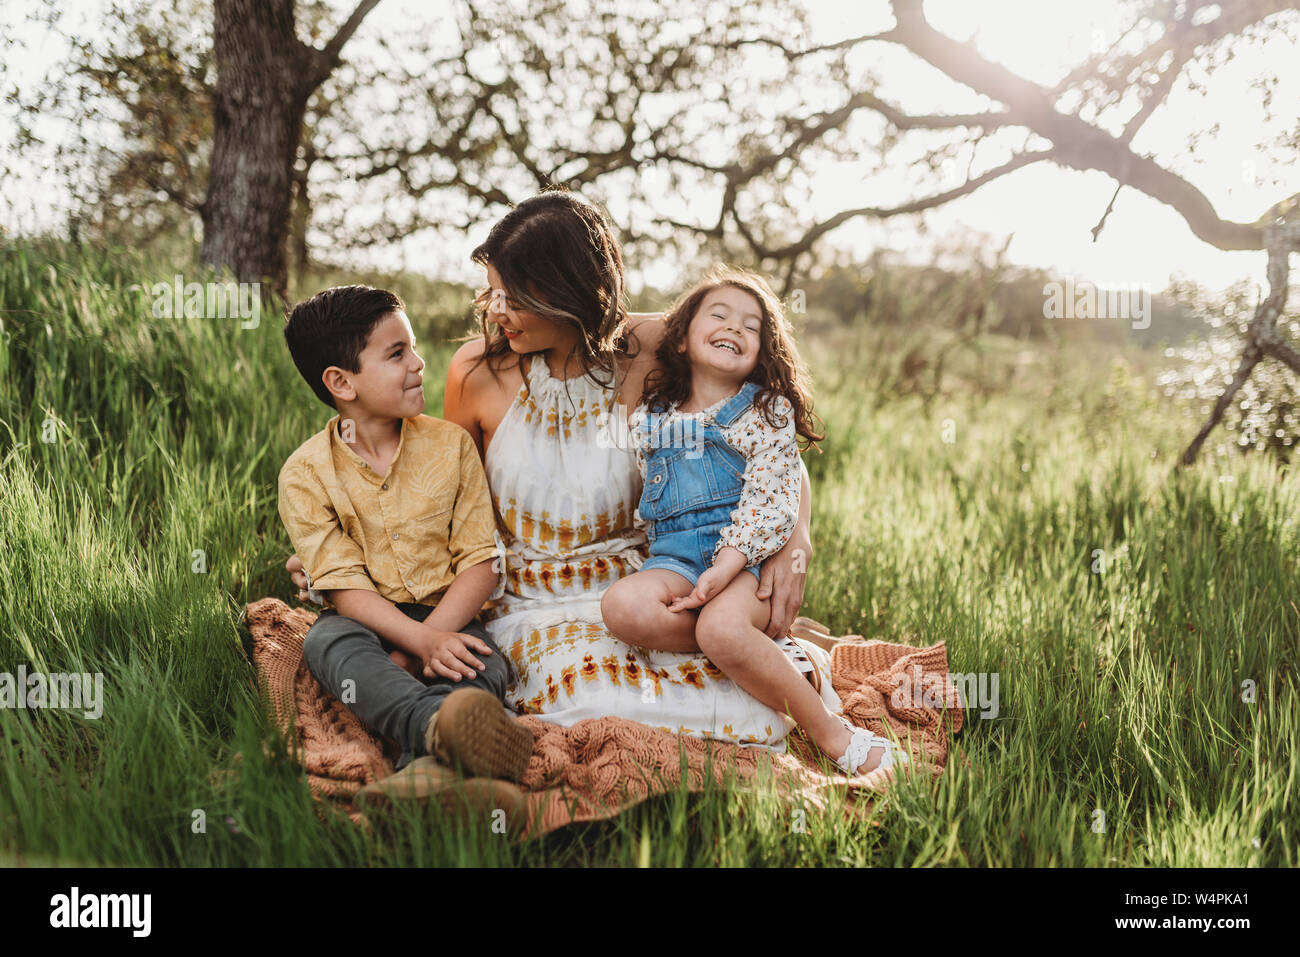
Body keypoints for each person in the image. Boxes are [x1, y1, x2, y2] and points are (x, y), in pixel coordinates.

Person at [290, 189, 818, 753]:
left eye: (513, 297)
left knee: (751, 697)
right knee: (594, 696)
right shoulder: (476, 371)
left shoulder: (661, 347)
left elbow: (767, 441)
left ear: (568, 292)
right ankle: (453, 747)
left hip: (639, 591)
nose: (496, 311)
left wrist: (796, 540)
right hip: (525, 596)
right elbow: (445, 499)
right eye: (492, 292)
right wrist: (351, 552)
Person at [600, 267, 907, 775]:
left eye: (751, 326)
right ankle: (740, 642)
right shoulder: (652, 416)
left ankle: (833, 734)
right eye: (718, 316)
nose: (734, 328)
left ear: (763, 351)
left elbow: (771, 497)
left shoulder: (765, 412)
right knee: (622, 607)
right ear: (681, 338)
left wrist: (727, 564)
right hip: (676, 559)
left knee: (721, 626)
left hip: (748, 559)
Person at [278, 284, 533, 818]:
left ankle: (423, 779)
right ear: (341, 382)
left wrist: (431, 641)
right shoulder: (305, 474)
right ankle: (436, 728)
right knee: (326, 641)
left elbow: (480, 560)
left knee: (481, 666)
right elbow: (344, 589)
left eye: (413, 347)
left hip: (451, 612)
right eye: (397, 354)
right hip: (366, 621)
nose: (419, 363)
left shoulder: (450, 446)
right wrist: (419, 645)